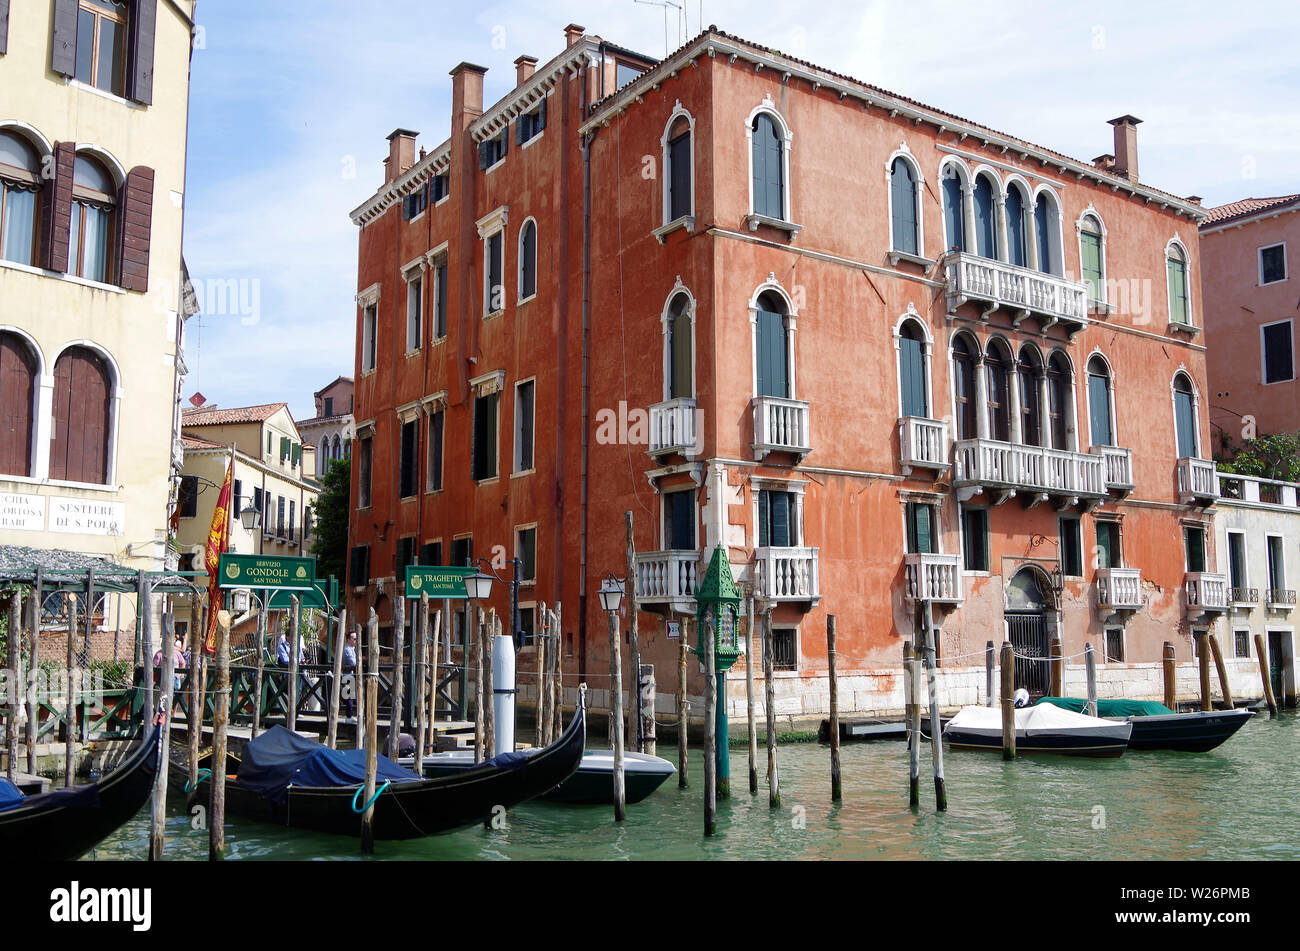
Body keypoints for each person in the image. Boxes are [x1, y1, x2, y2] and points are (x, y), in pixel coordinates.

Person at [342, 631, 358, 720]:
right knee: (349, 696)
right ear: (348, 639)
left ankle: (350, 715)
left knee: (351, 696)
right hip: (347, 675)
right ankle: (348, 717)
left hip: (351, 675)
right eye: (354, 638)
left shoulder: (351, 648)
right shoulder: (347, 649)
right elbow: (353, 663)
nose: (356, 640)